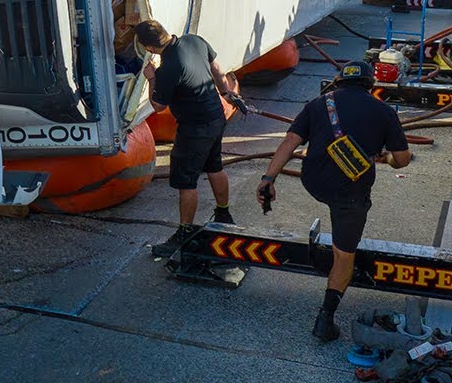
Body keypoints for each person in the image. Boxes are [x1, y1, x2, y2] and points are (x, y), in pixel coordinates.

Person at [257, 60, 410, 342]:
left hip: (313, 181)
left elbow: (289, 144)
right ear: (370, 85)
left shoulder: (318, 104)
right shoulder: (383, 111)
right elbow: (401, 160)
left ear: (339, 82)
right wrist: (385, 157)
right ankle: (325, 319)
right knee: (343, 255)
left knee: (335, 196)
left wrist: (268, 180)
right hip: (349, 193)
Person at [136, 20, 244, 257]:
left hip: (194, 128)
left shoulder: (168, 69)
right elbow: (217, 69)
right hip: (216, 115)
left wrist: (151, 78)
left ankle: (185, 232)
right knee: (214, 165)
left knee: (186, 182)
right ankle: (224, 214)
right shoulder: (194, 40)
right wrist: (226, 92)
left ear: (148, 48)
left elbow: (158, 104)